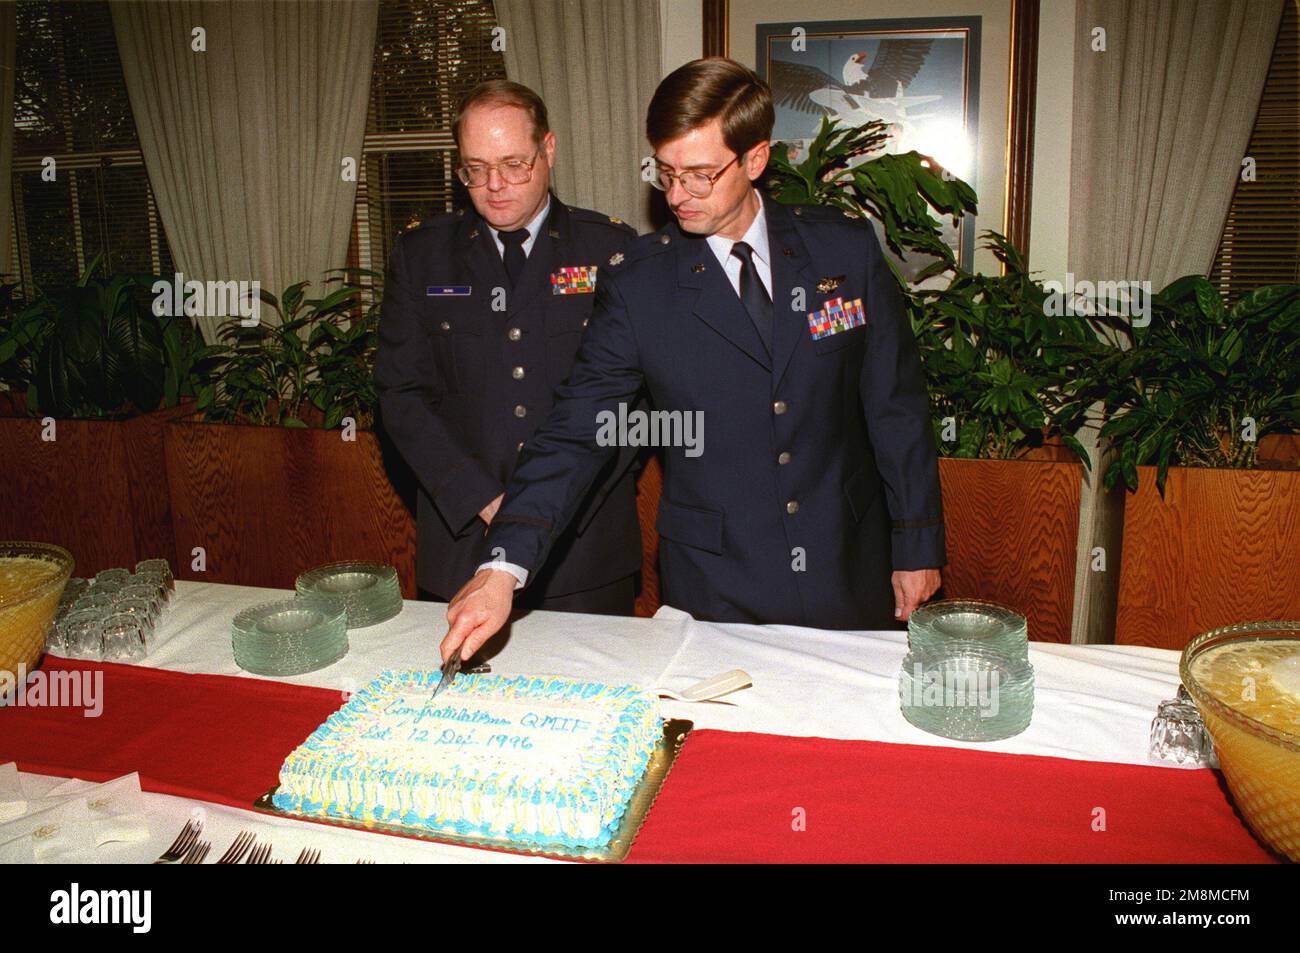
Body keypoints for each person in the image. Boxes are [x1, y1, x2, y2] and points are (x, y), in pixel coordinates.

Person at [442, 58, 945, 660]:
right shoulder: (640, 285)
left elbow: (896, 406)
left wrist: (916, 543)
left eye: (701, 175)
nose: (678, 195)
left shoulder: (843, 249)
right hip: (716, 585)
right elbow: (578, 430)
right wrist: (504, 568)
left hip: (848, 564)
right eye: (666, 173)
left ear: (755, 159)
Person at [375, 79, 642, 615]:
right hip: (463, 543)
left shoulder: (611, 250)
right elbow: (400, 395)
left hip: (583, 548)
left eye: (513, 164)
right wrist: (478, 496)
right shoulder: (422, 256)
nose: (494, 185)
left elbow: (635, 403)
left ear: (549, 149)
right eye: (474, 169)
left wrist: (555, 505)